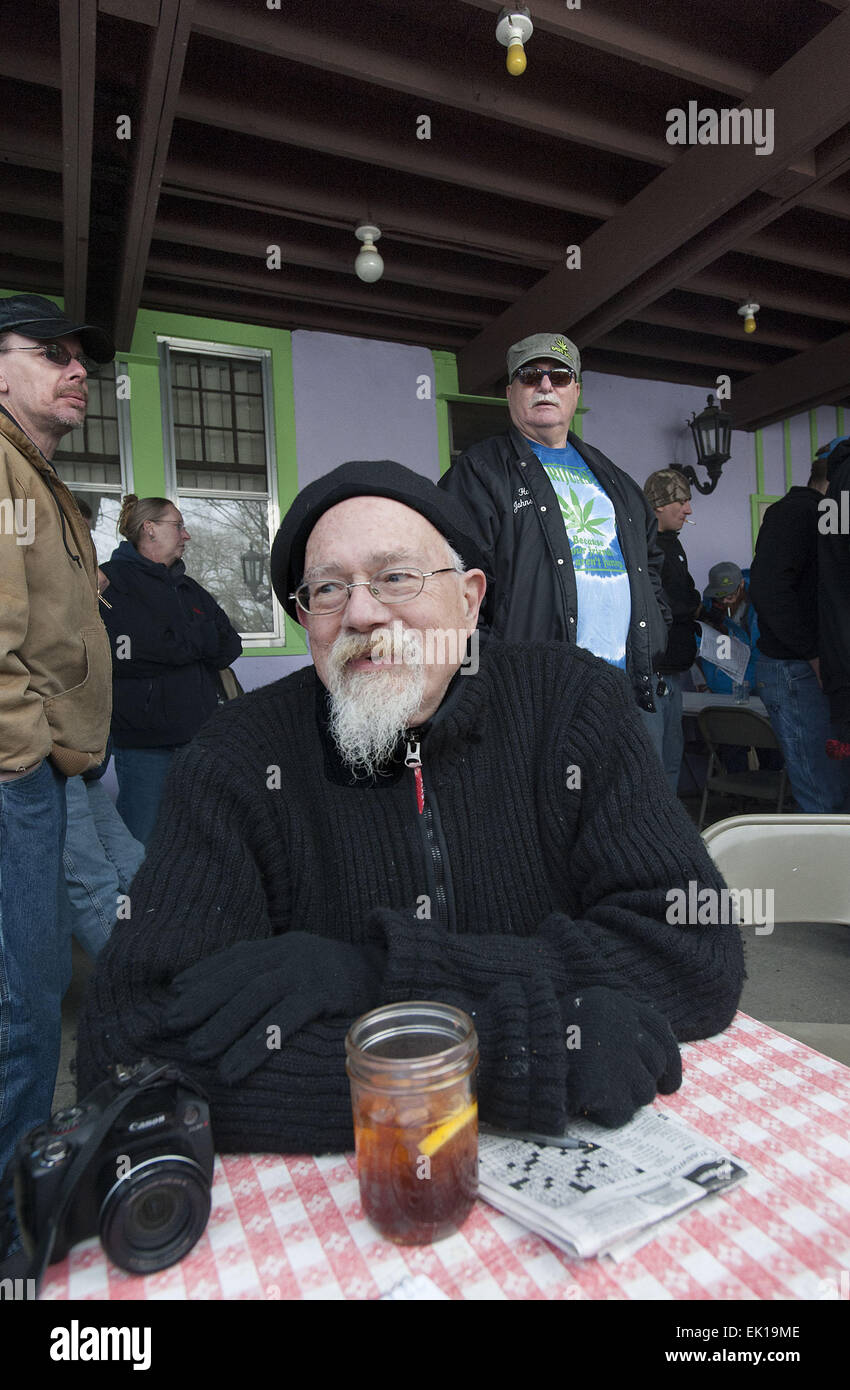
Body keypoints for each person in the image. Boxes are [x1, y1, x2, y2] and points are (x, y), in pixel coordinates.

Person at [77, 460, 744, 1157]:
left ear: (469, 597)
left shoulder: (574, 705)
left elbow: (691, 955)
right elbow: (132, 1050)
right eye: (328, 589)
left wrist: (377, 973)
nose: (362, 612)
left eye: (396, 577)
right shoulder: (238, 757)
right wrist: (493, 1060)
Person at [0, 293, 113, 1198]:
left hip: (38, 772)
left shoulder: (32, 475)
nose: (78, 370)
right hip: (11, 780)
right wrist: (26, 753)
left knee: (32, 998)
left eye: (81, 358)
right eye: (51, 354)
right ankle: (14, 1223)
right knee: (23, 1007)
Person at [438, 332, 671, 718]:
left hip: (620, 693)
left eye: (559, 377)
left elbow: (652, 567)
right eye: (530, 376)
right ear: (510, 392)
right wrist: (484, 678)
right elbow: (451, 584)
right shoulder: (480, 472)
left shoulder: (618, 481)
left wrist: (656, 630)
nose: (545, 385)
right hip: (530, 699)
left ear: (575, 392)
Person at [99, 495, 243, 845]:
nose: (186, 535)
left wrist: (176, 642)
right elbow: (127, 651)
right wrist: (193, 642)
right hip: (145, 744)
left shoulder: (188, 587)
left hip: (201, 739)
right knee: (143, 842)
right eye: (178, 526)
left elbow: (229, 645)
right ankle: (136, 903)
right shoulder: (111, 582)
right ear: (150, 529)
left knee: (200, 838)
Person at [750, 455, 850, 813]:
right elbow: (768, 590)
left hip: (807, 666)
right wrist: (815, 653)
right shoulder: (796, 513)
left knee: (833, 793)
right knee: (825, 798)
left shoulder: (820, 514)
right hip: (795, 668)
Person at [643, 470, 702, 795]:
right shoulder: (643, 546)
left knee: (671, 762)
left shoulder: (673, 546)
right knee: (654, 764)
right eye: (681, 500)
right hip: (653, 673)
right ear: (658, 506)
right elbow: (663, 603)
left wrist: (688, 603)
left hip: (674, 672)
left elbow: (689, 596)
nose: (688, 509)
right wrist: (688, 605)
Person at [697, 563, 759, 695]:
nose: (725, 601)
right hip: (718, 687)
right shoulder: (710, 606)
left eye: (730, 596)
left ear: (741, 585)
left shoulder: (757, 608)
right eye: (720, 597)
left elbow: (759, 656)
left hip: (748, 684)